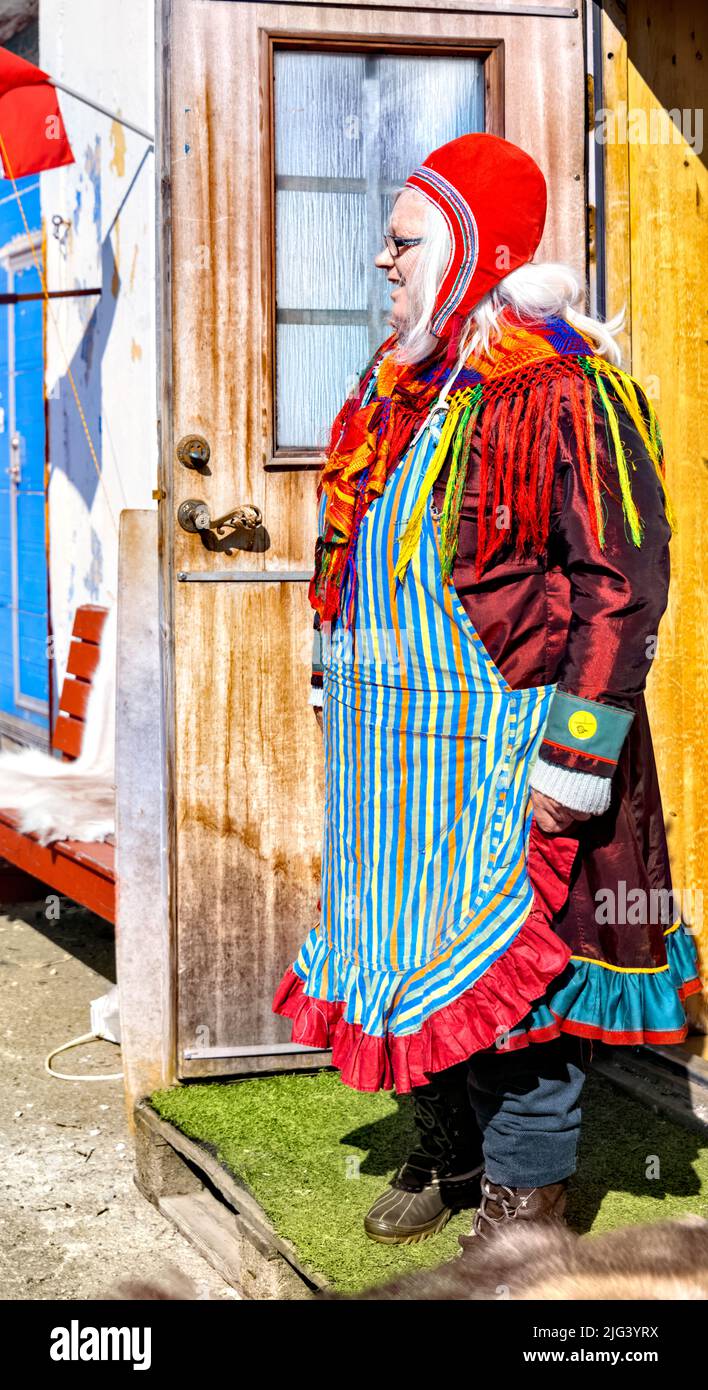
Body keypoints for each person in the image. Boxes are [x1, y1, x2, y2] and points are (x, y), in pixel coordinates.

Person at [272, 133, 702, 1244]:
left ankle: (524, 1216)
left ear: (471, 248)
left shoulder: (566, 390)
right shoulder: (397, 387)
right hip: (394, 758)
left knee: (515, 984)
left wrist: (575, 762)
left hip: (506, 746)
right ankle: (450, 1153)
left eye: (403, 239)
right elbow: (354, 547)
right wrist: (339, 674)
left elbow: (623, 587)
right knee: (399, 946)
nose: (379, 258)